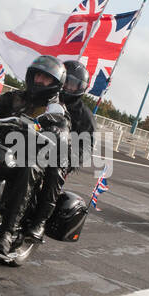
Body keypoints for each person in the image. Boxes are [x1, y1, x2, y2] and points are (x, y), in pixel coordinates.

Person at [0, 55, 68, 255]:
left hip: (30, 154)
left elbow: (61, 128)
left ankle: (6, 231)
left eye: (46, 78)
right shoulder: (15, 97)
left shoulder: (55, 109)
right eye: (38, 75)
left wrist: (55, 131)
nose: (39, 81)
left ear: (55, 84)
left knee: (28, 167)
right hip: (0, 147)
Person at [22, 60, 93, 242]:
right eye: (65, 81)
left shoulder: (84, 115)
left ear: (81, 87)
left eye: (73, 83)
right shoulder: (45, 98)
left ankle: (39, 222)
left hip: (57, 156)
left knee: (55, 169)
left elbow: (85, 148)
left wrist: (68, 153)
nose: (68, 86)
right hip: (26, 145)